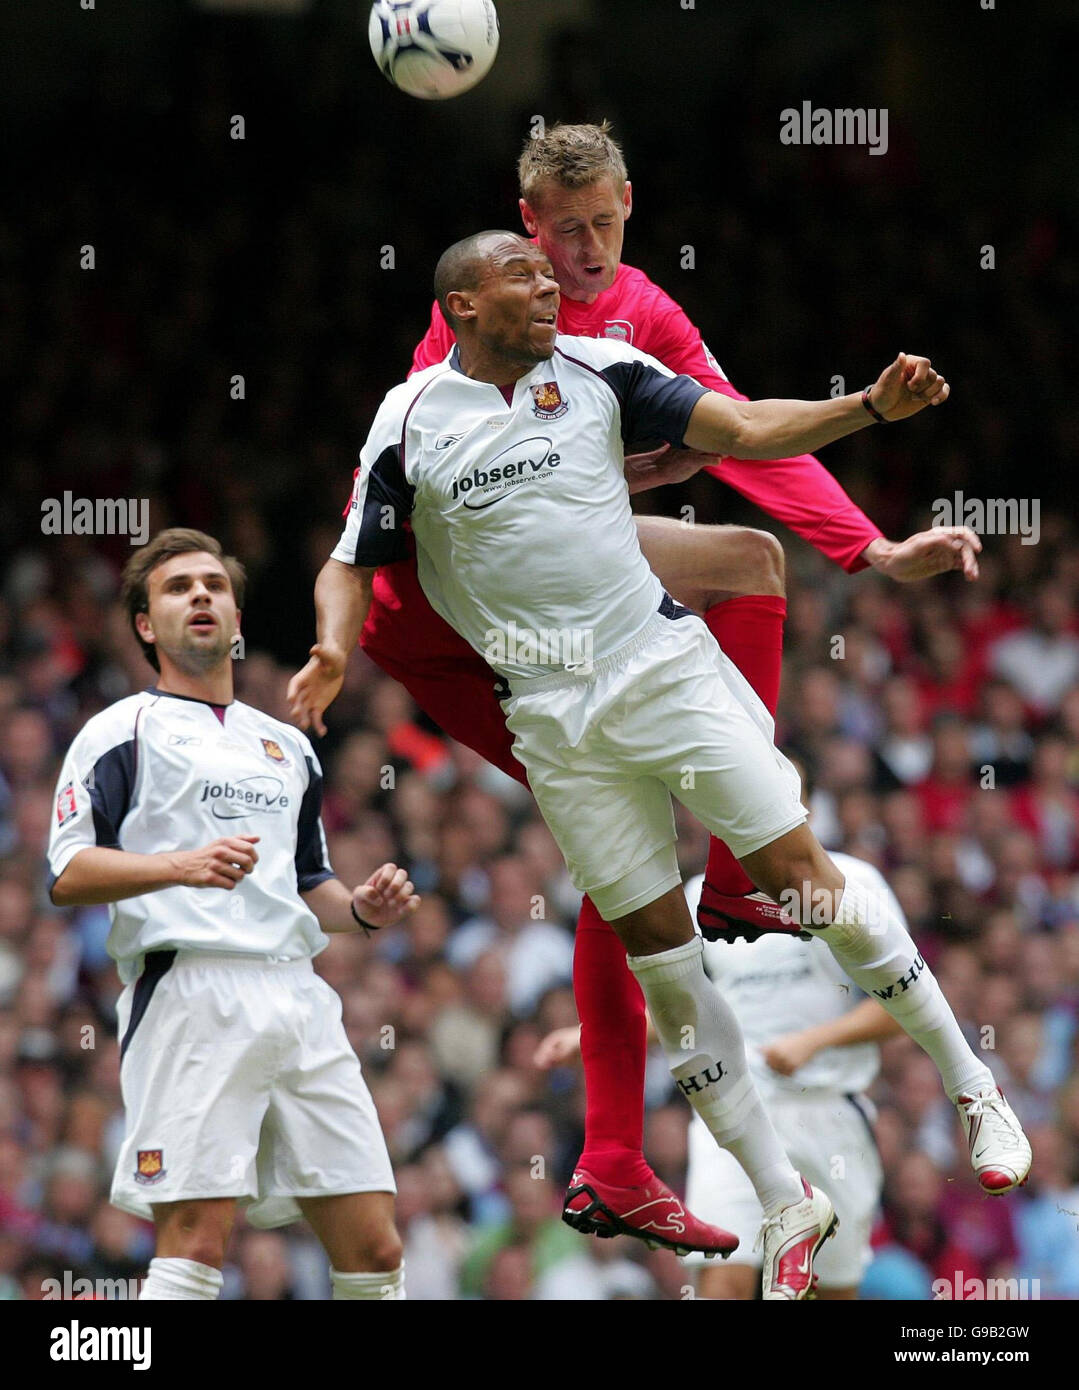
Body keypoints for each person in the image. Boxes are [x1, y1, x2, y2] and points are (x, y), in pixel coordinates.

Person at [290, 230, 1030, 1298]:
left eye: (553, 276)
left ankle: (970, 1084)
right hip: (550, 721)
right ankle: (781, 1195)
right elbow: (349, 559)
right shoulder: (407, 421)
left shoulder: (600, 373)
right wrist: (328, 646)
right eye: (525, 275)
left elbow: (743, 429)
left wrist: (864, 409)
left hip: (658, 670)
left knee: (801, 884)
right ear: (458, 305)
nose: (551, 285)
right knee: (660, 960)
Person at [46, 528, 417, 1301]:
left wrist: (360, 909)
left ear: (239, 620)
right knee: (196, 1241)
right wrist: (178, 867)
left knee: (376, 1247)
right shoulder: (117, 733)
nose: (202, 596)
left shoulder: (288, 745)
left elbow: (309, 884)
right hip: (191, 993)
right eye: (178, 588)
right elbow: (69, 870)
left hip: (298, 994)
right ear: (146, 626)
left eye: (214, 585)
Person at [535, 766, 904, 1300]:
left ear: (807, 812)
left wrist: (812, 1043)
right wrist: (588, 1036)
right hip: (733, 1112)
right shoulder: (695, 897)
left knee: (829, 1291)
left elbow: (900, 1006)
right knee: (722, 1281)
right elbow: (682, 1015)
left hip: (830, 1113)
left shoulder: (852, 882)